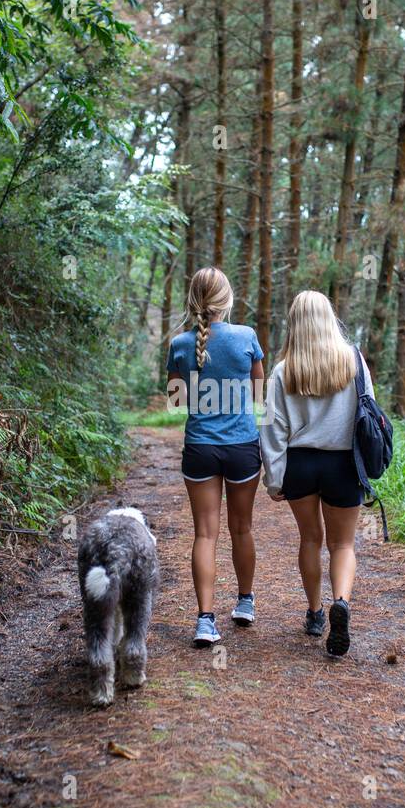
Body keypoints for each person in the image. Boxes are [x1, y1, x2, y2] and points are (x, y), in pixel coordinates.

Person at [259, 290, 369, 657]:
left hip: (300, 464)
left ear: (295, 324)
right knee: (343, 544)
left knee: (310, 539)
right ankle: (342, 602)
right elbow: (366, 414)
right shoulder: (354, 360)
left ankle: (316, 614)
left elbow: (272, 428)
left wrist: (274, 478)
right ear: (329, 318)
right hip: (343, 464)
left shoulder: (282, 370)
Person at [165, 267, 265, 647]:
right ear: (227, 299)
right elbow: (260, 394)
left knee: (204, 534)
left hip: (200, 449)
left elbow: (176, 401)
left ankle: (205, 621)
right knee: (242, 528)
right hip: (241, 447)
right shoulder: (247, 337)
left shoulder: (179, 344)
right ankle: (244, 602)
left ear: (193, 301)